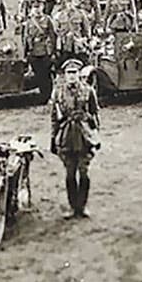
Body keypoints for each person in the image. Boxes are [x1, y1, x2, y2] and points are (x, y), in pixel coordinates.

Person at [51, 58, 101, 219]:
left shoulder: (88, 91)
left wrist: (95, 134)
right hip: (66, 136)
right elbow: (54, 117)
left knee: (84, 172)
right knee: (70, 174)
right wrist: (53, 138)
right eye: (68, 73)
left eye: (74, 73)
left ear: (79, 74)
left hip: (84, 135)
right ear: (64, 75)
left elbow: (95, 113)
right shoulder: (58, 92)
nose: (71, 76)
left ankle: (82, 206)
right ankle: (73, 207)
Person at [25, 0, 57, 102]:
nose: (37, 10)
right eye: (35, 8)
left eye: (39, 7)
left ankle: (48, 96)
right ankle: (42, 96)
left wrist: (52, 51)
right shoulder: (29, 22)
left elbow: (53, 36)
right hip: (34, 52)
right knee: (38, 75)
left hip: (45, 51)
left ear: (42, 7)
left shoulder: (47, 20)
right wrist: (26, 53)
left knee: (46, 75)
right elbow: (25, 37)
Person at [54, 0, 92, 69]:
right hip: (65, 46)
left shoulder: (81, 14)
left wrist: (85, 40)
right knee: (62, 66)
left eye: (71, 1)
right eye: (68, 1)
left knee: (84, 65)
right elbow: (56, 32)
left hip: (78, 45)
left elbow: (87, 30)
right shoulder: (59, 15)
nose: (70, 4)